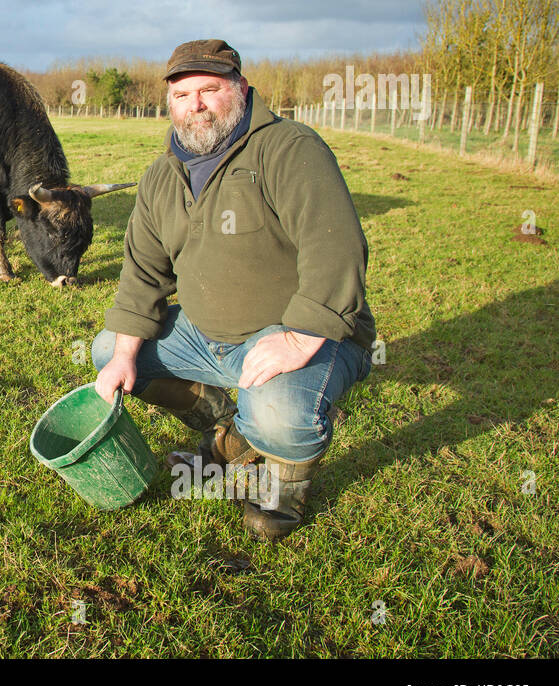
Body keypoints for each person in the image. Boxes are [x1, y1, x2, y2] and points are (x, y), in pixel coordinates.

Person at [92, 39, 375, 541]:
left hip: (303, 336)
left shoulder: (289, 149)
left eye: (209, 90)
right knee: (108, 351)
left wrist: (297, 338)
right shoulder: (161, 176)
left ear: (241, 90)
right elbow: (142, 274)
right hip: (208, 337)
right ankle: (229, 427)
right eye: (181, 95)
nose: (194, 105)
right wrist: (124, 353)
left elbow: (337, 248)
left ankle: (284, 494)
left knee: (279, 414)